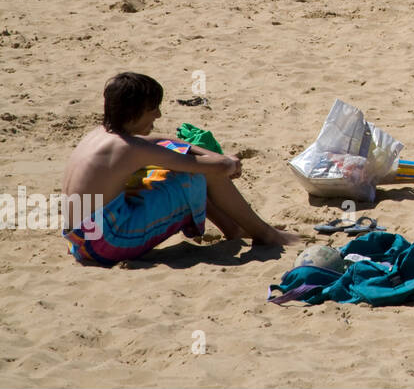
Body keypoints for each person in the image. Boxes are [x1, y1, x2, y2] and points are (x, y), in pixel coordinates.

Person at [62, 73, 298, 266]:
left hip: (81, 240)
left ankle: (234, 228)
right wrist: (226, 163)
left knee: (168, 173)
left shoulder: (100, 135)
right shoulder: (128, 149)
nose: (158, 114)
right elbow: (204, 166)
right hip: (105, 244)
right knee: (195, 176)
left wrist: (212, 155)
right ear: (135, 111)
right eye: (152, 108)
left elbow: (161, 141)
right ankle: (265, 234)